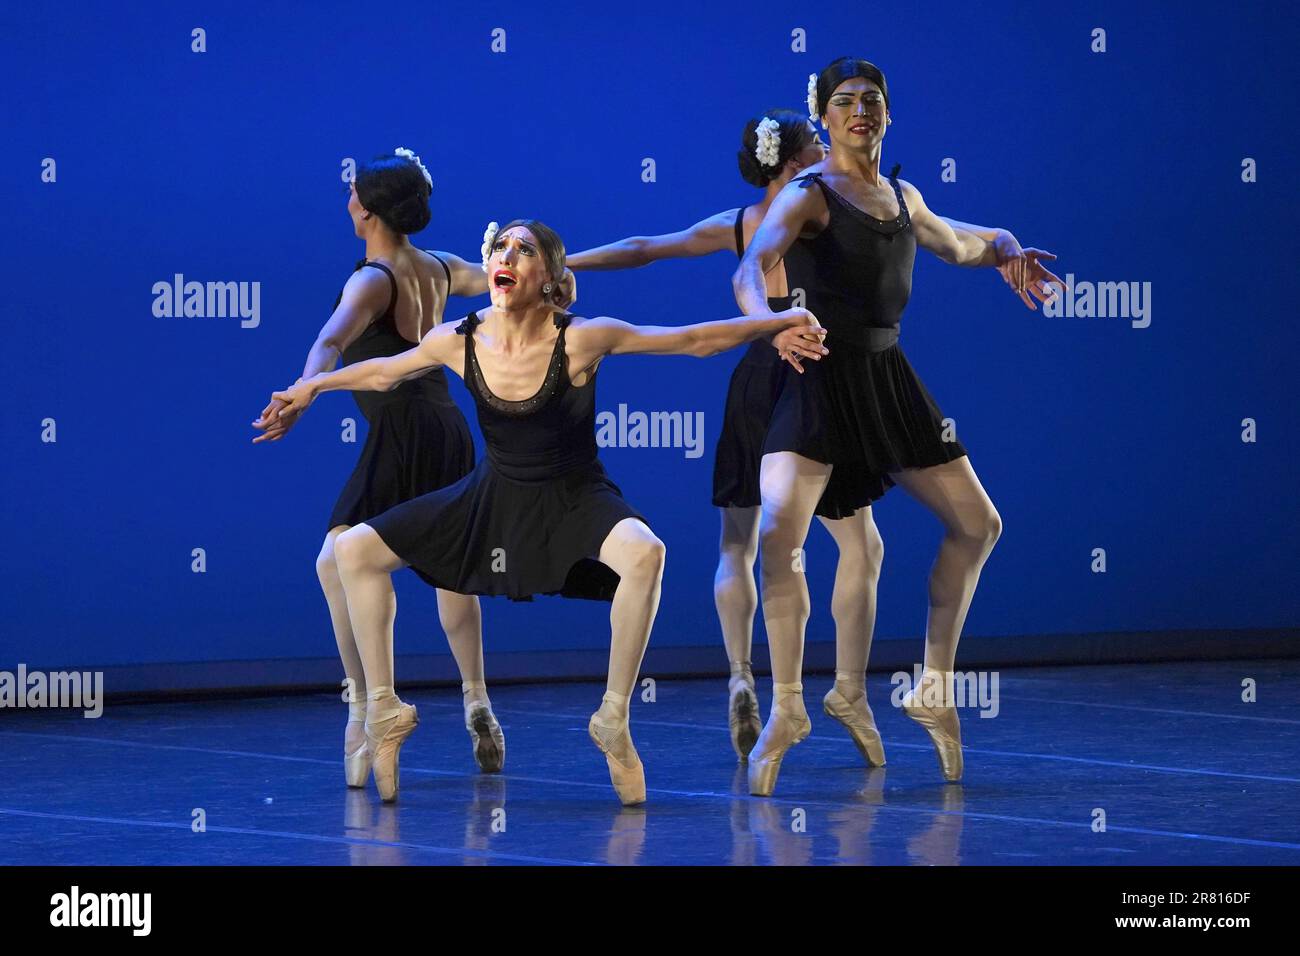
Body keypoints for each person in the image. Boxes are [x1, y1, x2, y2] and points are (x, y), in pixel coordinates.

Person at [256, 219, 826, 804]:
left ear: (551, 278)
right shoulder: (460, 337)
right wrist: (312, 388)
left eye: (524, 249)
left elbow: (691, 339)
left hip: (574, 497)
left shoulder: (582, 337)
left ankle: (613, 717)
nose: (507, 254)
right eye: (501, 245)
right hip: (493, 496)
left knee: (647, 553)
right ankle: (382, 709)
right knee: (352, 551)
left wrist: (776, 322)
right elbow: (381, 371)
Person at [734, 57, 1064, 794]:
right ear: (824, 117)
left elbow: (960, 243)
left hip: (888, 381)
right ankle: (788, 707)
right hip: (815, 374)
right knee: (779, 535)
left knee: (979, 524)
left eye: (872, 101)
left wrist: (1006, 244)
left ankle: (935, 686)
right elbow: (751, 267)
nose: (860, 111)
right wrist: (769, 321)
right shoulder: (807, 195)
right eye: (845, 101)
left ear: (888, 115)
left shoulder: (903, 197)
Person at [566, 110, 889, 767]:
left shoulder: (742, 223)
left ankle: (743, 675)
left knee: (738, 541)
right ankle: (837, 688)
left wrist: (562, 260)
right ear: (794, 165)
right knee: (857, 539)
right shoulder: (820, 210)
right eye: (815, 151)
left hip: (755, 374)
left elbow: (643, 247)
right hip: (810, 370)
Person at [252, 150, 544, 786]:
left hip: (404, 433)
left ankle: (365, 707)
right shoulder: (436, 267)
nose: (347, 203)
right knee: (451, 578)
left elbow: (332, 338)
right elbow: (491, 275)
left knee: (338, 559)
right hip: (444, 426)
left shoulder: (372, 278)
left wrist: (305, 391)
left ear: (371, 208)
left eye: (354, 195)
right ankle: (477, 705)